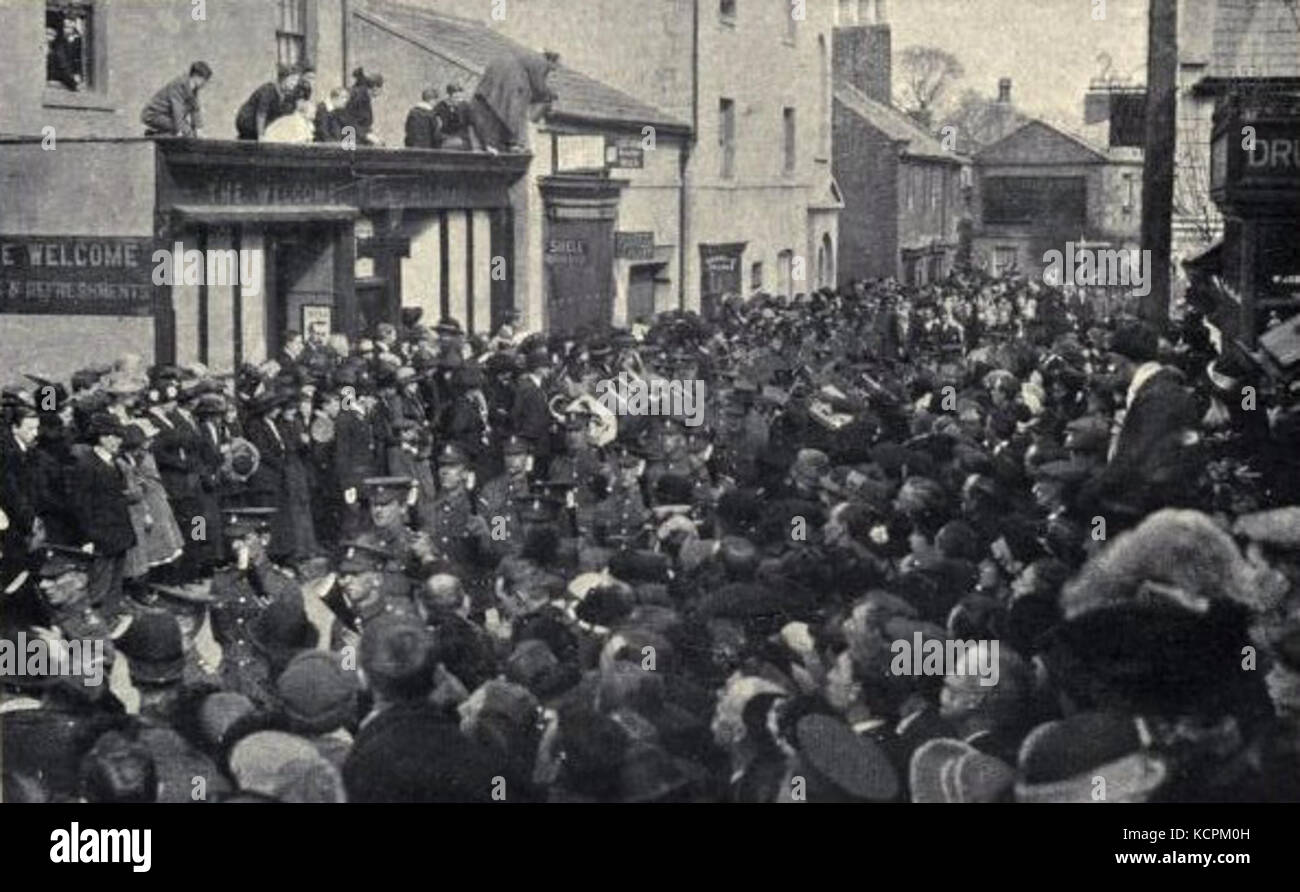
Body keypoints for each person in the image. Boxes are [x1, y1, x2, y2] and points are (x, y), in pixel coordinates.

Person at [70, 413, 136, 619]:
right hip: (101, 535)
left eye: (118, 436)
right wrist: (88, 537)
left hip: (117, 532)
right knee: (100, 583)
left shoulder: (112, 462)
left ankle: (110, 616)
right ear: (102, 437)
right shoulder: (86, 465)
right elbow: (80, 506)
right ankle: (95, 621)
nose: (118, 441)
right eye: (113, 436)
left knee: (116, 580)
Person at [470, 49, 559, 153]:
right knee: (516, 107)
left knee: (500, 107)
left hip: (496, 71)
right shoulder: (541, 62)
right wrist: (551, 95)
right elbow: (538, 85)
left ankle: (507, 141)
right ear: (551, 61)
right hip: (510, 76)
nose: (555, 69)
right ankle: (516, 143)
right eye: (555, 66)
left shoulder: (529, 57)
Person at [141, 61, 212, 137]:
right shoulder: (178, 85)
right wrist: (180, 131)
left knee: (189, 131)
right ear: (196, 77)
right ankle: (156, 136)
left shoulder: (193, 89)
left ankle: (157, 134)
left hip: (166, 115)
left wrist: (199, 129)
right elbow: (177, 109)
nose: (205, 84)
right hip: (153, 114)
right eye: (205, 80)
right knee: (186, 131)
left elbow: (195, 108)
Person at [236, 64, 300, 141]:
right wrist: (261, 135)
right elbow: (261, 114)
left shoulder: (288, 95)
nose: (295, 83)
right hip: (248, 124)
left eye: (296, 80)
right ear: (283, 79)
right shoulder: (269, 90)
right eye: (292, 80)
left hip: (263, 126)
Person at [342, 68, 384, 145]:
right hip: (351, 140)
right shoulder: (360, 97)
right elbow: (350, 121)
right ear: (375, 88)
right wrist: (367, 135)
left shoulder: (360, 95)